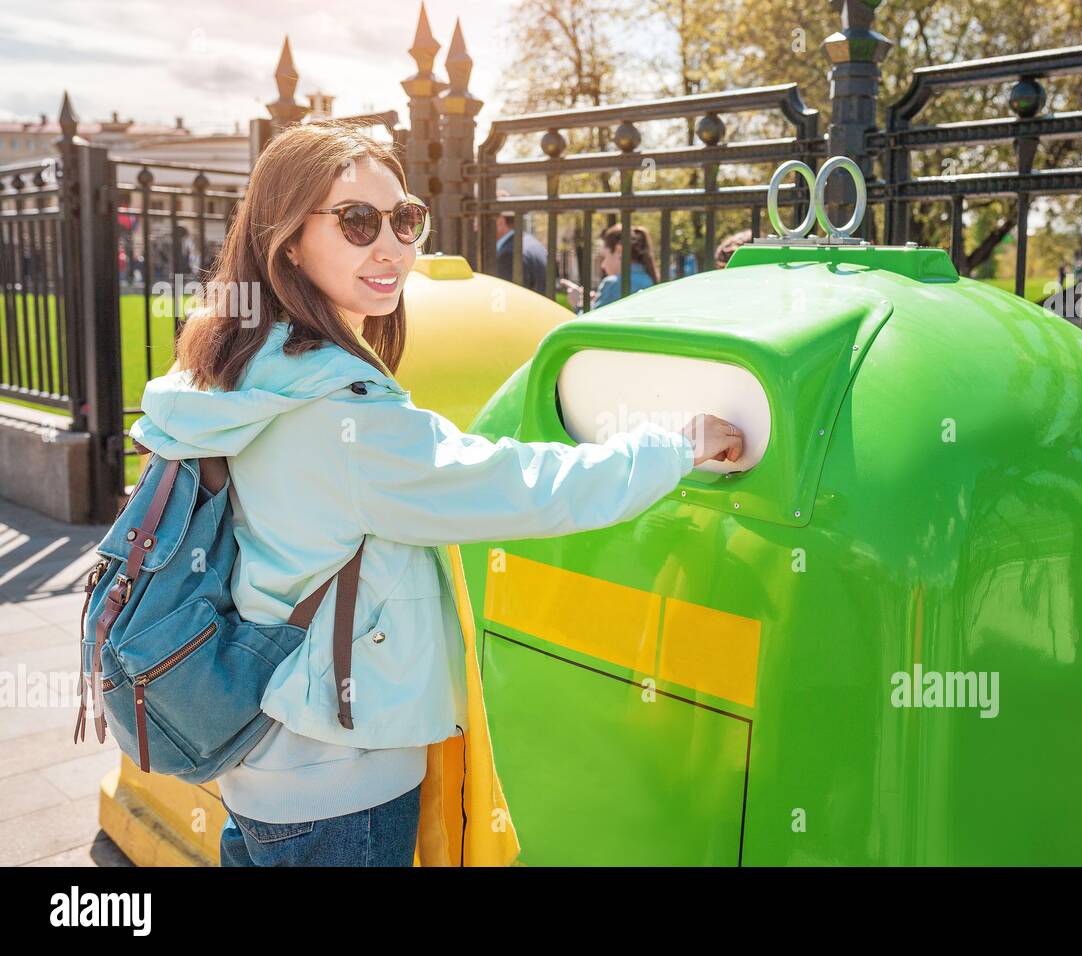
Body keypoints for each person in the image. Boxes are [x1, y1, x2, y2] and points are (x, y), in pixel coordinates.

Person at [127, 123, 744, 867]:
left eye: (404, 219)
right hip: (339, 778)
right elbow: (525, 488)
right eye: (357, 222)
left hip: (262, 753)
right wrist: (674, 446)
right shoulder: (340, 411)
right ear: (287, 240)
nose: (389, 247)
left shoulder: (240, 367)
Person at [558, 223, 657, 312]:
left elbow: (591, 327)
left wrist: (578, 304)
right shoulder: (648, 280)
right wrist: (595, 301)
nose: (603, 265)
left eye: (605, 257)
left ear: (619, 251)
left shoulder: (614, 283)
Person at [493, 198, 547, 295]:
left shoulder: (509, 254)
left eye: (477, 220)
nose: (475, 226)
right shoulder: (531, 243)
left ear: (500, 222)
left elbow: (507, 301)